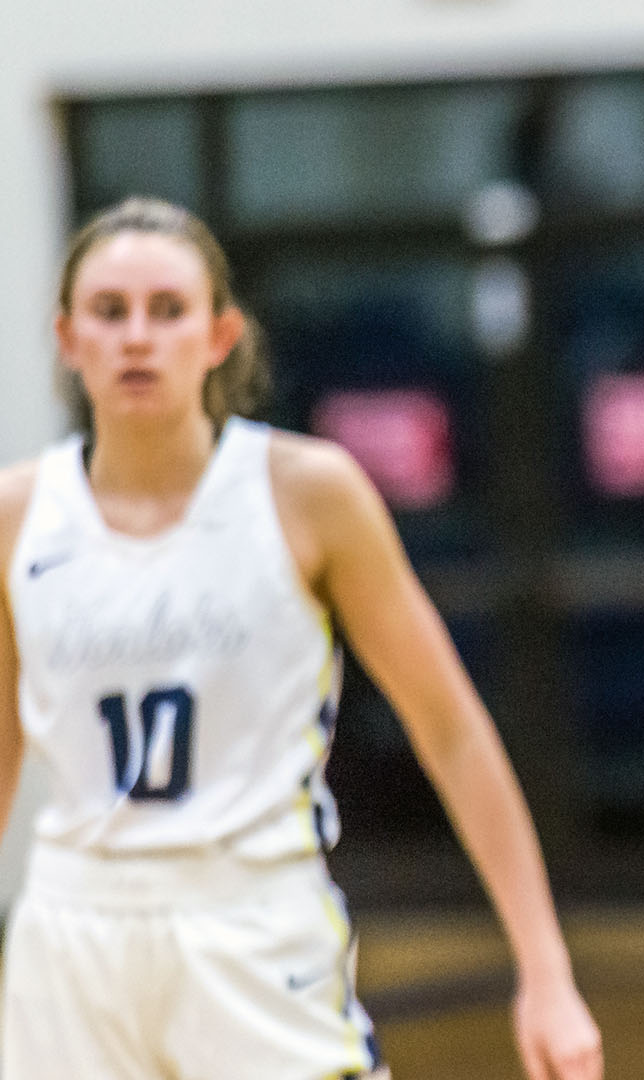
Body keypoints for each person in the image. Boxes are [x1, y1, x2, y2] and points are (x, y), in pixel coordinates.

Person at [0, 196, 602, 1080]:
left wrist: (546, 972)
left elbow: (451, 729)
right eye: (110, 310)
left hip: (252, 919)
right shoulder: (18, 515)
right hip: (71, 929)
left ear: (220, 336)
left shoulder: (307, 493)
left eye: (167, 310)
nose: (137, 337)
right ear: (66, 338)